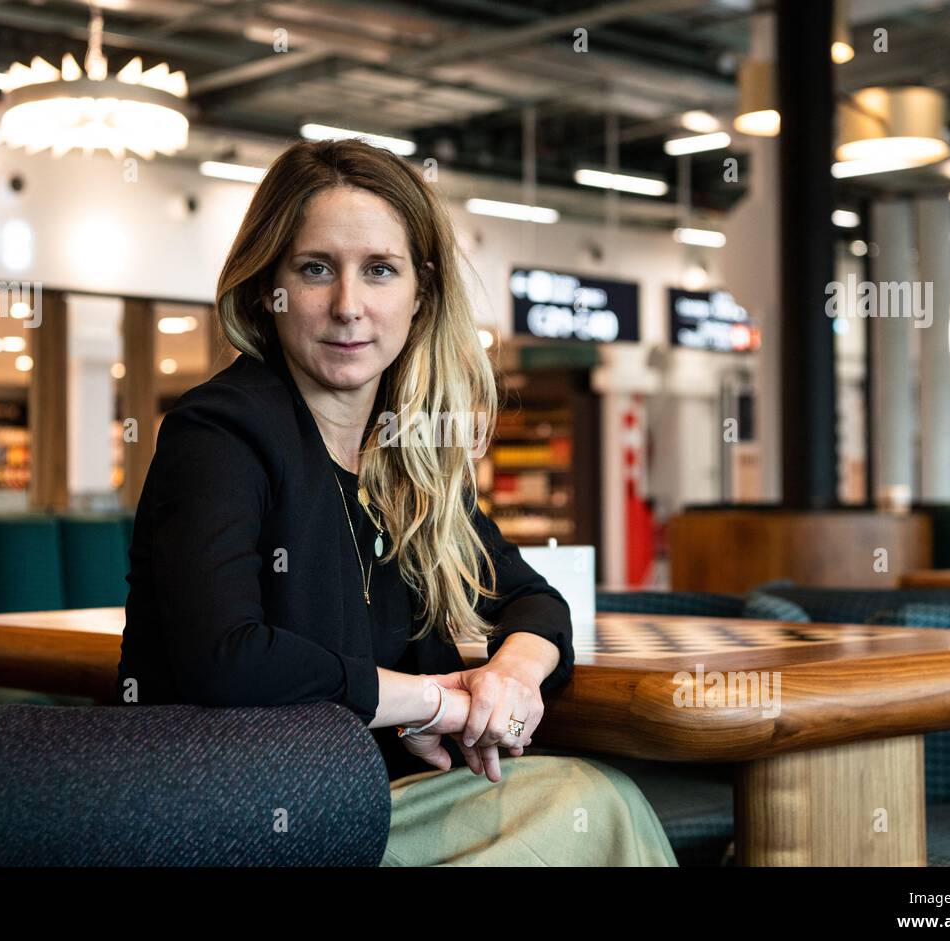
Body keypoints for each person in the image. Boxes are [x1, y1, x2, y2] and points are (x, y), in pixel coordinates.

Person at [117, 137, 677, 867]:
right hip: (233, 821)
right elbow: (225, 659)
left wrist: (512, 674)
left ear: (421, 295)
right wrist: (432, 701)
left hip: (365, 801)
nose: (348, 307)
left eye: (379, 270)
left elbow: (534, 600)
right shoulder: (220, 431)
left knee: (596, 800)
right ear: (266, 288)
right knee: (590, 807)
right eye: (315, 269)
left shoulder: (408, 455)